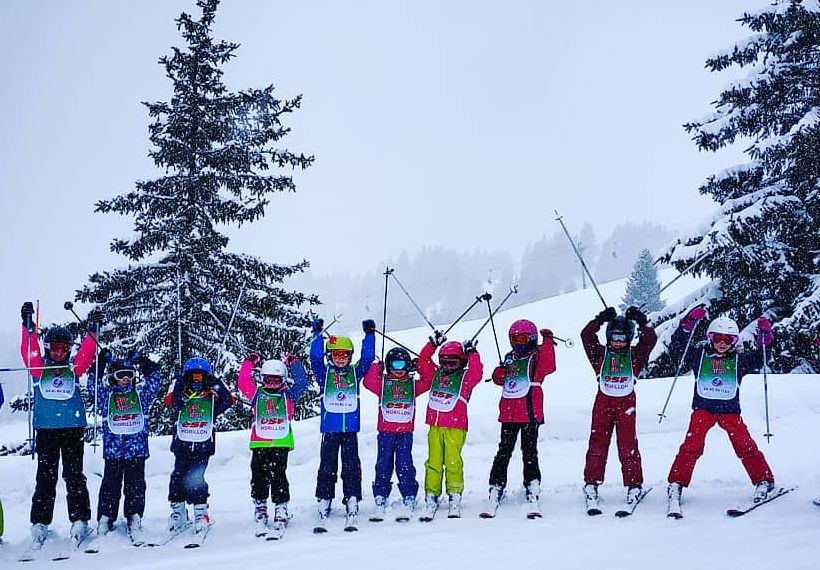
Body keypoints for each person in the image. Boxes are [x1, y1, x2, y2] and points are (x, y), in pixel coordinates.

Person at [665, 306, 776, 517]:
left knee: (745, 444)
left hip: (729, 411)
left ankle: (764, 479)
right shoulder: (699, 356)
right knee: (691, 445)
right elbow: (677, 348)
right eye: (718, 338)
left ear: (734, 341)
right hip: (703, 409)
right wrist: (687, 324)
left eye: (728, 339)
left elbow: (762, 357)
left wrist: (766, 339)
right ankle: (676, 482)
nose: (722, 343)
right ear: (710, 338)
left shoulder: (739, 361)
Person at [20, 301, 98, 549]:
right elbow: (28, 352)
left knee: (74, 475)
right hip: (46, 429)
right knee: (46, 476)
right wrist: (28, 327)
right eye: (54, 348)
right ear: (48, 348)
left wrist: (93, 330)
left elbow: (87, 353)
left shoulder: (73, 368)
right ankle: (40, 522)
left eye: (63, 348)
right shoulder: (38, 368)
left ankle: (80, 519)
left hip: (72, 427)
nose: (58, 353)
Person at [579, 306, 657, 512]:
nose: (618, 342)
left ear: (629, 338)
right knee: (597, 443)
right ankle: (591, 483)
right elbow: (586, 336)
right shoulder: (600, 354)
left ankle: (634, 485)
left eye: (623, 338)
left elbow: (650, 340)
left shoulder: (635, 356)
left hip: (626, 403)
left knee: (628, 444)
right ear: (608, 336)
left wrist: (641, 320)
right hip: (603, 402)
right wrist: (600, 318)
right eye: (614, 337)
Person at [87, 351, 161, 543]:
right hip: (113, 452)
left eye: (130, 374)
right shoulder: (106, 398)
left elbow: (154, 382)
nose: (126, 379)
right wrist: (100, 363)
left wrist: (143, 361)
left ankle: (134, 516)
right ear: (112, 378)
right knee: (110, 486)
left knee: (135, 486)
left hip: (136, 451)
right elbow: (92, 387)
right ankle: (106, 518)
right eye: (121, 375)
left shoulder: (141, 397)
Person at [486, 319, 557, 515]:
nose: (518, 342)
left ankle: (532, 486)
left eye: (523, 338)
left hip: (529, 412)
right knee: (504, 450)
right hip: (509, 412)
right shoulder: (510, 357)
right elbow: (501, 379)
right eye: (515, 338)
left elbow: (549, 366)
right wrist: (498, 374)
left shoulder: (537, 355)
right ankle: (496, 485)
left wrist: (548, 341)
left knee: (529, 451)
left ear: (532, 339)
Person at [310, 318, 376, 525]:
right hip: (329, 429)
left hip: (350, 429)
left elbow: (367, 358)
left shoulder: (354, 373)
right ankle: (325, 497)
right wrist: (317, 335)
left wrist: (370, 335)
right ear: (330, 356)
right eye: (337, 355)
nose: (341, 359)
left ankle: (352, 496)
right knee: (327, 464)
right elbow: (314, 358)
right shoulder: (324, 374)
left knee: (351, 465)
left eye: (345, 355)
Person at [237, 352, 308, 537]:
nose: (272, 384)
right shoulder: (256, 395)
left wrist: (295, 364)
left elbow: (302, 383)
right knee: (258, 475)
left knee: (278, 476)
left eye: (276, 380)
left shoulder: (288, 396)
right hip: (260, 442)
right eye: (268, 380)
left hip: (280, 442)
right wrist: (249, 363)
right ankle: (260, 506)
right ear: (262, 380)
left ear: (283, 380)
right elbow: (243, 383)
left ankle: (281, 507)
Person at [164, 356, 234, 539]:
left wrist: (214, 383)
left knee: (196, 478)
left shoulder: (212, 397)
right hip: (182, 442)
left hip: (203, 444)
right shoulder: (180, 393)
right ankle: (178, 512)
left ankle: (200, 513)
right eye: (192, 377)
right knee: (177, 476)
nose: (196, 382)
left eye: (200, 378)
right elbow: (170, 402)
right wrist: (180, 384)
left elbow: (229, 400)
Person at [416, 334, 483, 519]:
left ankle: (454, 494)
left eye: (452, 363)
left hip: (455, 426)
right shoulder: (436, 374)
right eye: (444, 362)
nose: (447, 367)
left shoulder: (465, 378)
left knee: (453, 461)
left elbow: (477, 370)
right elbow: (422, 361)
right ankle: (432, 494)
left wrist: (472, 352)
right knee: (433, 462)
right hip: (435, 426)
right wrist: (432, 344)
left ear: (461, 363)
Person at [362, 346, 430, 520]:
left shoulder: (412, 385)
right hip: (385, 432)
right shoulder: (383, 383)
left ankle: (409, 494)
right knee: (383, 464)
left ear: (408, 366)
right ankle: (381, 494)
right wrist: (378, 366)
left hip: (405, 433)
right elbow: (368, 382)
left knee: (404, 463)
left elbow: (429, 380)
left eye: (402, 365)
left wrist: (420, 365)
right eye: (394, 365)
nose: (398, 370)